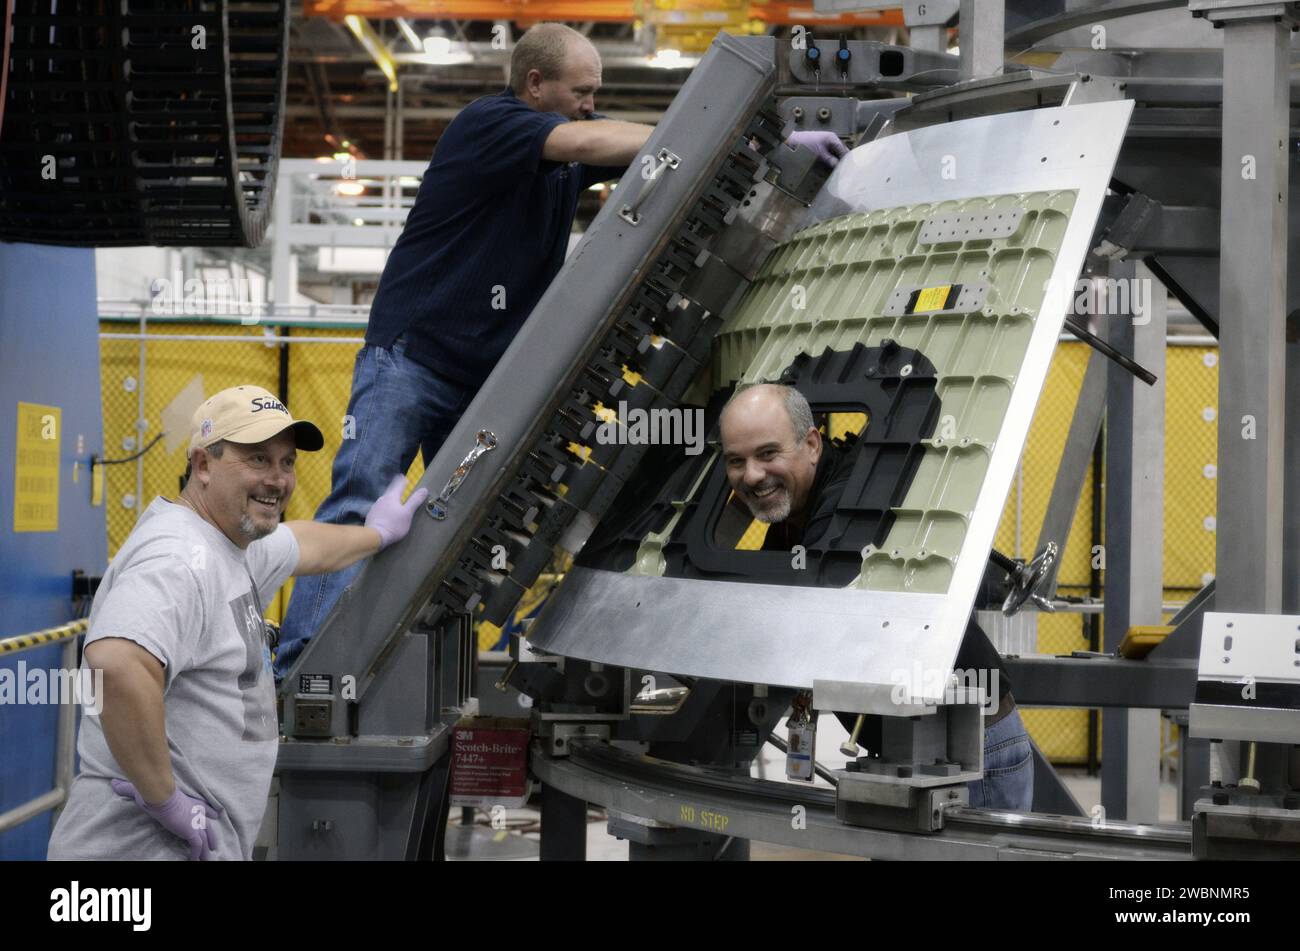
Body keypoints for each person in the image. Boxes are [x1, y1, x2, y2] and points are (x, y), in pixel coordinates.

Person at [273, 21, 848, 678]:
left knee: (452, 532)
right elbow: (608, 139)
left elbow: (657, 157)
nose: (590, 103)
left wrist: (764, 148)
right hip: (413, 359)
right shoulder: (490, 125)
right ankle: (296, 674)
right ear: (536, 85)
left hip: (480, 383)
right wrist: (713, 137)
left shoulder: (561, 155)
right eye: (582, 91)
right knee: (360, 500)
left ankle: (400, 670)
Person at [47, 385, 428, 860]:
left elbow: (304, 544)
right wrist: (165, 801)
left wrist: (376, 533)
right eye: (258, 460)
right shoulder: (179, 557)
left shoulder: (231, 543)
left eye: (286, 462)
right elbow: (117, 664)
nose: (278, 479)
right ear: (203, 464)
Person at [718, 383, 1033, 810]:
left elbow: (804, 607)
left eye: (768, 454)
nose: (751, 475)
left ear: (812, 444)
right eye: (736, 461)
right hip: (905, 751)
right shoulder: (791, 515)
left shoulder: (851, 499)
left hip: (968, 751)